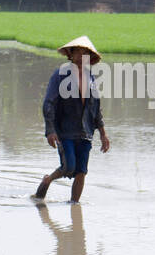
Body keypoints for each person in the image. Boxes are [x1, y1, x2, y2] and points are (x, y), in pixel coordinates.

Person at [35, 36, 110, 203]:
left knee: (82, 171)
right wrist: (50, 130)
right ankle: (48, 179)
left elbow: (96, 109)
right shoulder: (60, 75)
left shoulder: (91, 79)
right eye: (79, 52)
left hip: (86, 132)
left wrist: (103, 134)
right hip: (65, 131)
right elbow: (49, 103)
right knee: (69, 167)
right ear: (71, 54)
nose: (82, 56)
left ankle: (74, 205)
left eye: (86, 53)